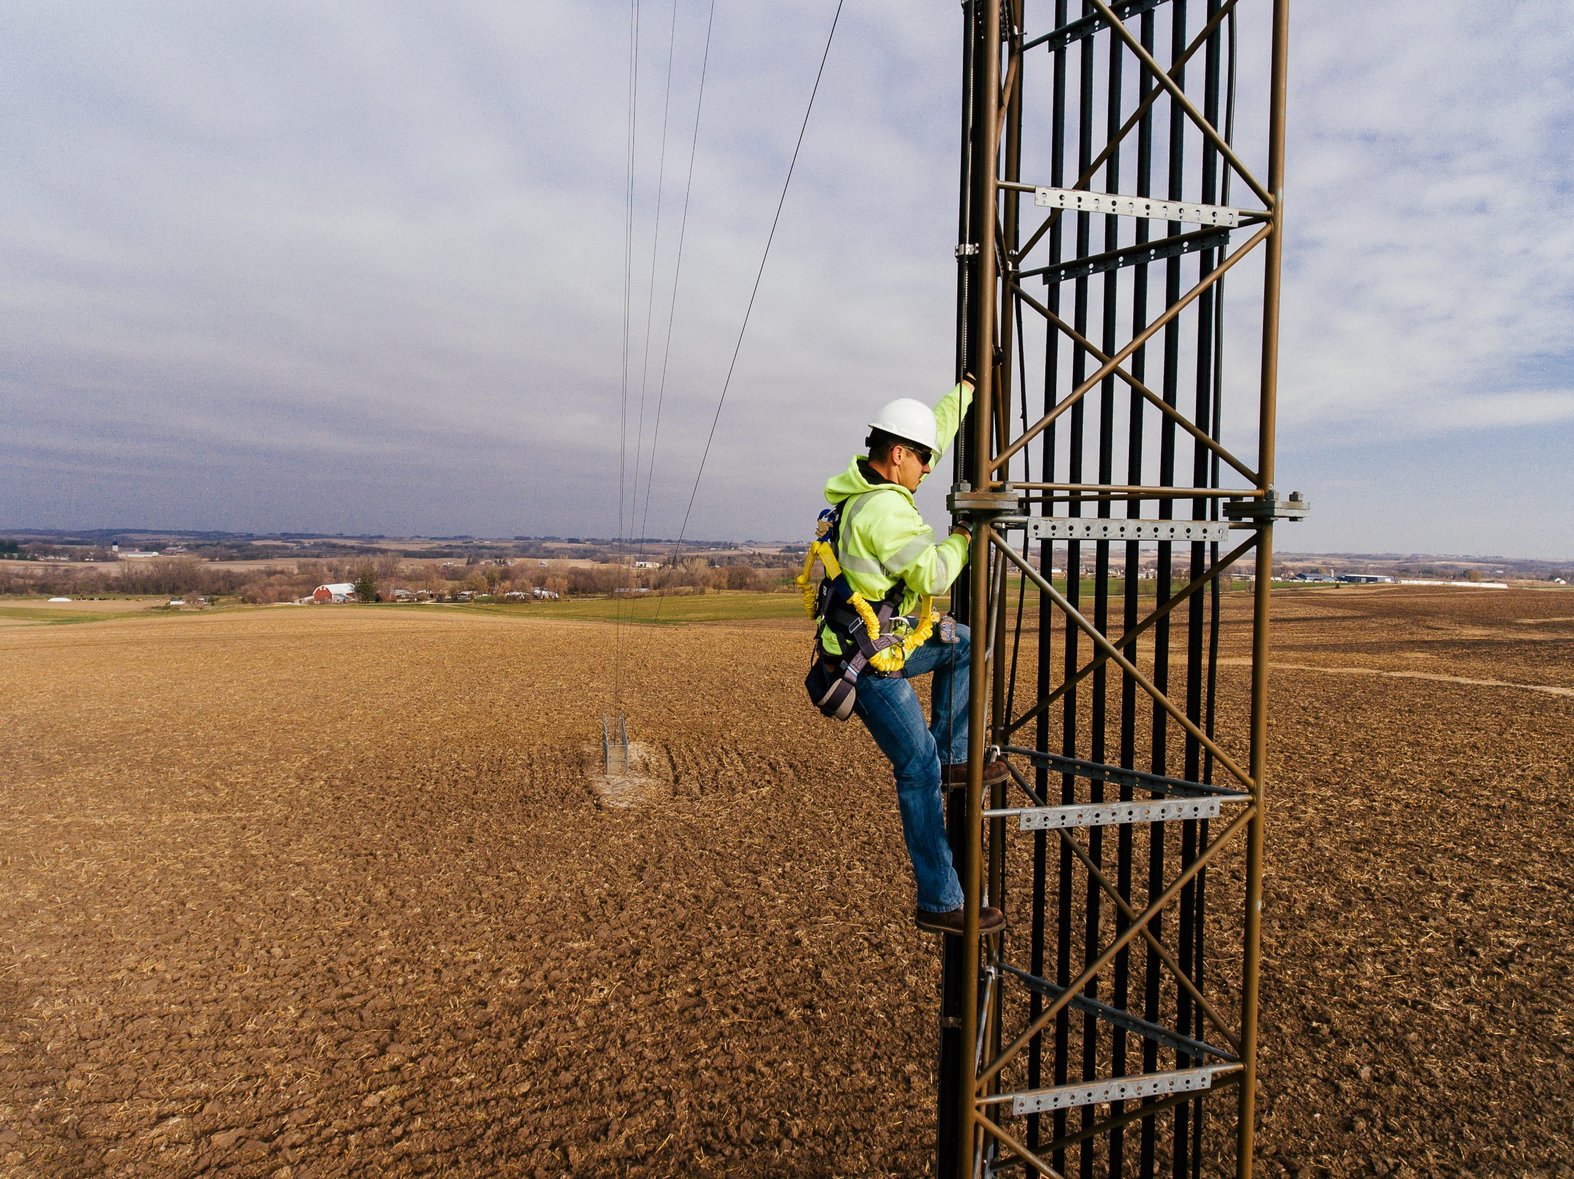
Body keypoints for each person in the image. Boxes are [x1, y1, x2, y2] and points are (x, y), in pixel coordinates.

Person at [817, 376, 1007, 936]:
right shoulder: (885, 512)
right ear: (898, 455)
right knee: (918, 769)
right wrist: (966, 534)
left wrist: (966, 392)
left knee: (962, 645)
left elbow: (933, 436)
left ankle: (955, 755)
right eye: (922, 460)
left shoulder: (863, 491)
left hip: (876, 646)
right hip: (868, 670)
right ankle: (940, 899)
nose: (928, 469)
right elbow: (935, 574)